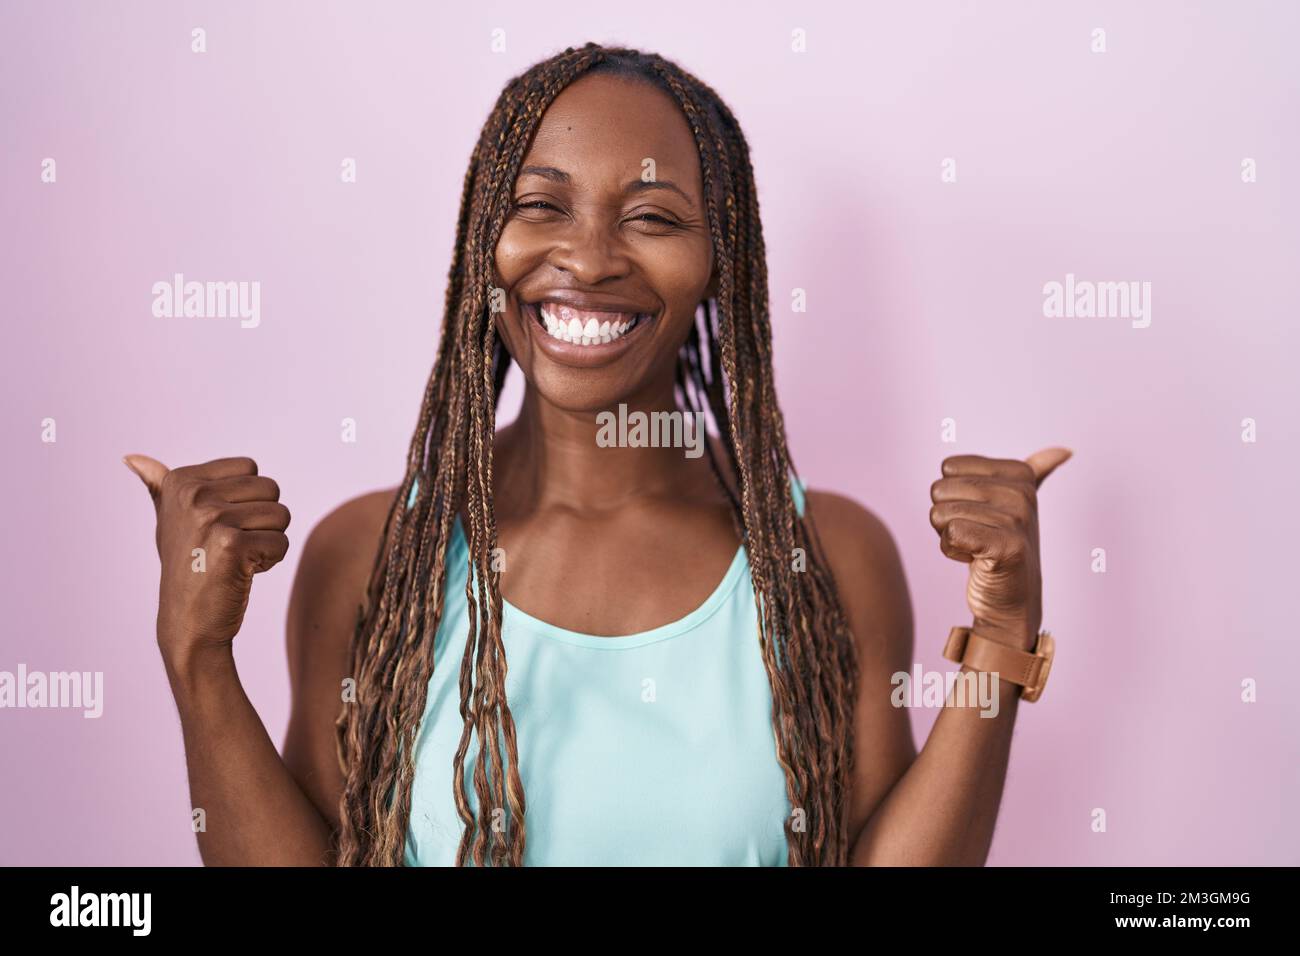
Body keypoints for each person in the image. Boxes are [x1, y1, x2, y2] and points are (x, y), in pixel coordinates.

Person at [124, 43, 1070, 867]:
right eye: (542, 205)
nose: (588, 258)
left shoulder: (828, 556)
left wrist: (1001, 637)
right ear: (482, 241)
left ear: (718, 264)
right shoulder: (372, 554)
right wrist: (198, 659)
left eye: (652, 217)